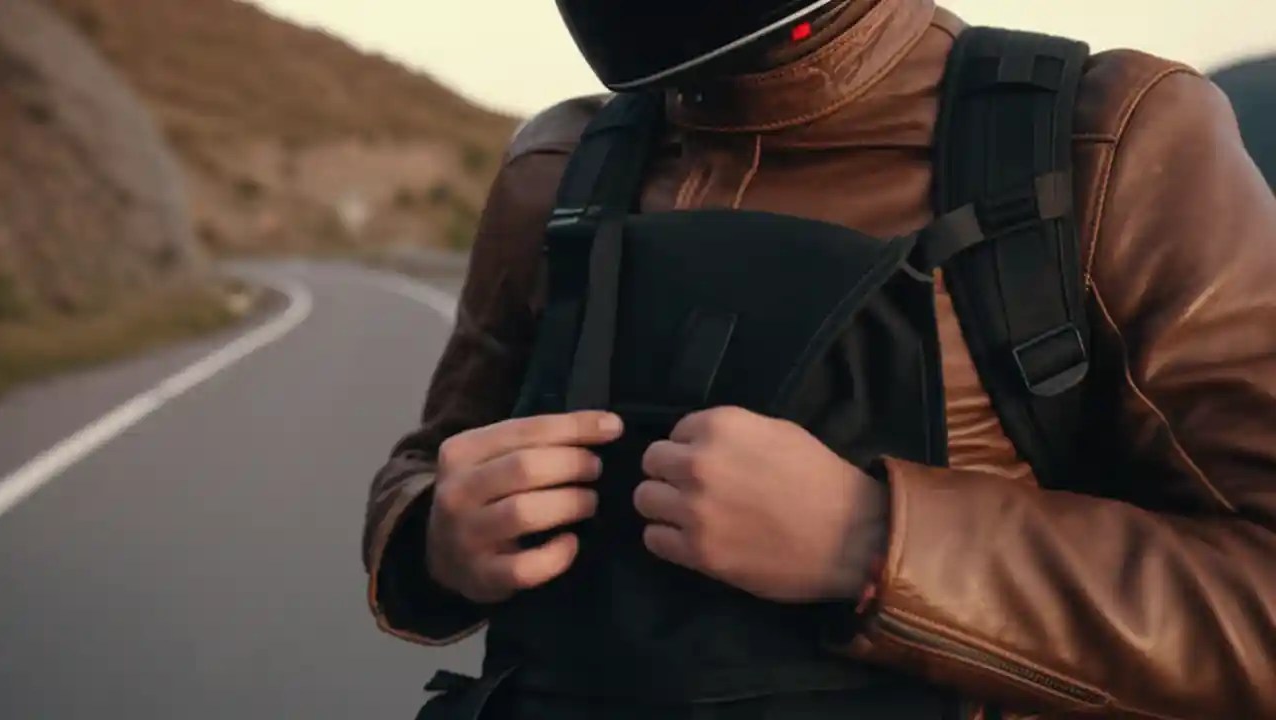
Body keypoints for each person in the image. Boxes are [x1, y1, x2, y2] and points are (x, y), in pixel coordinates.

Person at [361, 1, 1276, 718]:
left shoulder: (1103, 139)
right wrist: (434, 538)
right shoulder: (558, 165)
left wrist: (877, 541)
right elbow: (430, 459)